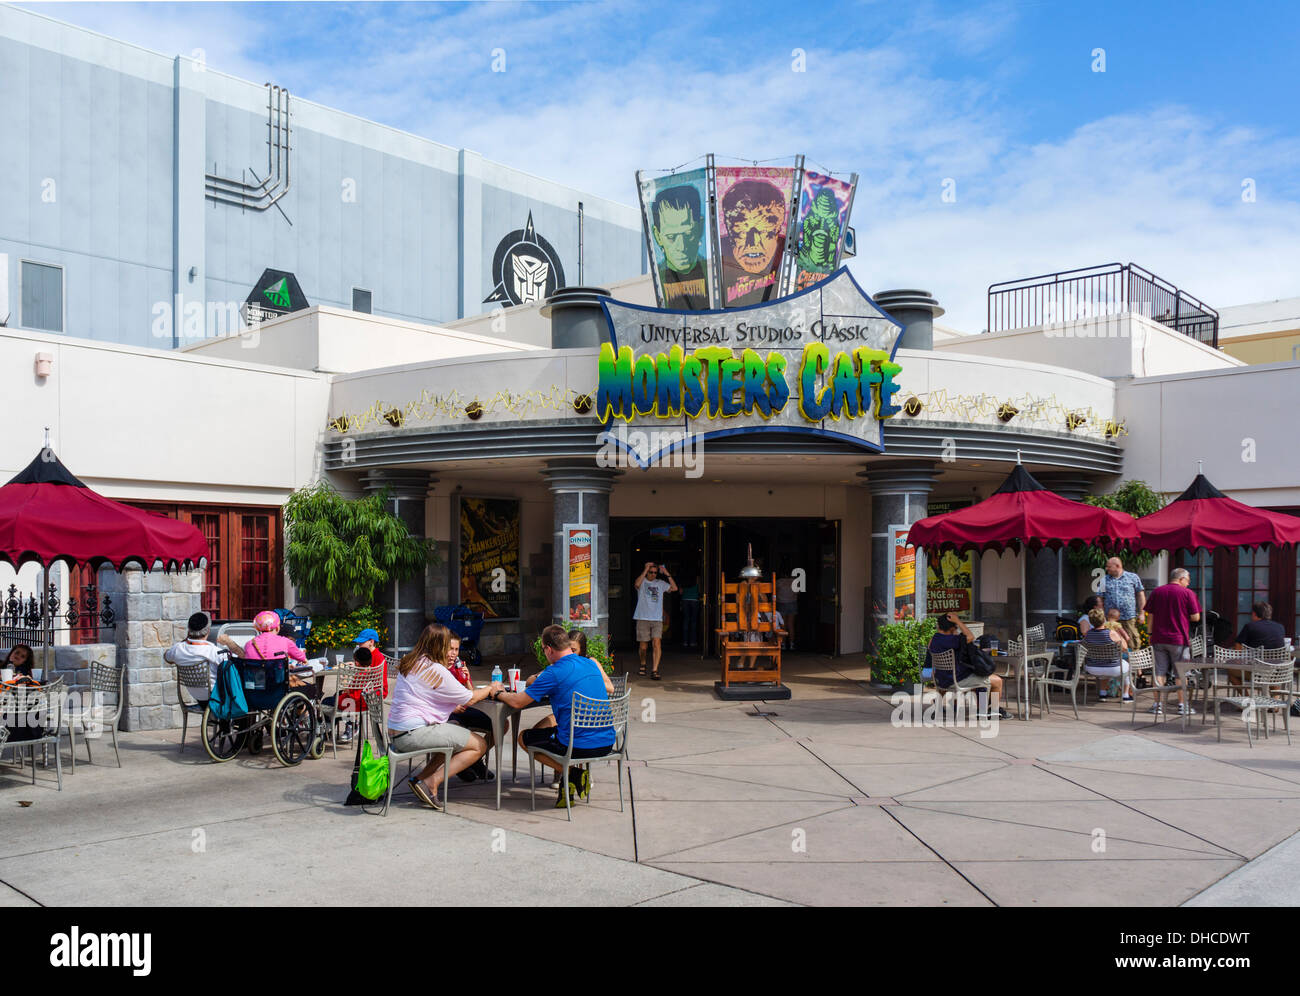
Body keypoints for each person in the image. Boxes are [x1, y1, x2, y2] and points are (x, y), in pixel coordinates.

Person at [491, 625, 615, 808]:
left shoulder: (554, 672)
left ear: (548, 649)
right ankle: (568, 783)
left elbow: (517, 702)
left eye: (543, 649)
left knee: (525, 737)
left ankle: (572, 773)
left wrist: (498, 694)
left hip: (577, 746)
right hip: (606, 742)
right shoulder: (589, 663)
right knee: (552, 730)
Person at [387, 624, 493, 811]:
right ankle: (431, 782)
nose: (450, 651)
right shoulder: (436, 670)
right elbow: (471, 697)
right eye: (447, 645)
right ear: (438, 645)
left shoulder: (413, 662)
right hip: (412, 734)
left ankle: (420, 780)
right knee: (479, 745)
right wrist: (493, 687)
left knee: (453, 734)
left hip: (398, 731)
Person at [1142, 568, 1201, 716]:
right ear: (1181, 579)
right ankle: (1182, 705)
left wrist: (1149, 632)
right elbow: (1195, 617)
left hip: (1158, 637)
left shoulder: (1157, 592)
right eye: (1187, 581)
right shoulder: (1188, 593)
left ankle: (1157, 705)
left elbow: (1151, 615)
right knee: (1181, 673)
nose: (1188, 584)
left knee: (1159, 672)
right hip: (1179, 639)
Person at [925, 612, 1006, 719]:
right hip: (955, 680)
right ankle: (987, 710)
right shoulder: (953, 640)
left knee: (977, 677)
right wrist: (958, 621)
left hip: (940, 679)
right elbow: (970, 637)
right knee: (995, 680)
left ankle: (981, 708)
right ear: (952, 628)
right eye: (956, 627)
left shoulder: (934, 639)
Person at [444, 632, 494, 783]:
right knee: (455, 729)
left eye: (457, 649)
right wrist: (452, 707)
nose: (453, 653)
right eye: (450, 649)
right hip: (448, 713)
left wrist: (466, 679)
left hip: (466, 709)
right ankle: (463, 764)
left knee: (501, 725)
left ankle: (475, 759)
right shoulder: (437, 668)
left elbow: (471, 694)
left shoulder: (459, 665)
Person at [163, 612, 221, 703]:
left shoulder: (178, 649)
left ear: (189, 630)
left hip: (197, 696)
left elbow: (166, 657)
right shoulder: (215, 652)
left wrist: (185, 640)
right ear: (208, 631)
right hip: (215, 698)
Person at [634, 561, 676, 680]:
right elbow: (636, 584)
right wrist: (645, 570)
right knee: (643, 647)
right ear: (647, 572)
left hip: (657, 619)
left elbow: (674, 588)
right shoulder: (642, 582)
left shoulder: (660, 583)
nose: (653, 574)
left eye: (655, 573)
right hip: (642, 617)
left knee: (657, 644)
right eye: (650, 572)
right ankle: (643, 663)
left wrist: (667, 573)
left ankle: (655, 670)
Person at [1082, 607, 1133, 701]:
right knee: (1127, 666)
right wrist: (1120, 637)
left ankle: (1103, 694)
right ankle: (1126, 695)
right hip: (1113, 668)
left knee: (1103, 668)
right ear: (1103, 619)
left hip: (1093, 668)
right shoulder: (1112, 633)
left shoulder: (1088, 634)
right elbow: (1125, 648)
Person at [1101, 557, 1146, 650]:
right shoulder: (1103, 580)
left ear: (1117, 566)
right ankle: (1115, 664)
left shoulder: (1133, 577)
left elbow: (1140, 595)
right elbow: (1099, 598)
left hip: (1128, 617)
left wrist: (1142, 613)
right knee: (1111, 644)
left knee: (1132, 642)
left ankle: (1132, 663)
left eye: (1109, 566)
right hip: (1111, 620)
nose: (1106, 568)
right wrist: (1101, 617)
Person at [776, 565, 798, 650]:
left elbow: (776, 593)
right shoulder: (794, 582)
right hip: (792, 603)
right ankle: (792, 644)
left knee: (783, 625)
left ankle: (783, 644)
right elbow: (797, 593)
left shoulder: (779, 582)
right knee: (791, 624)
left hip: (781, 603)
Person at [679, 576, 701, 649]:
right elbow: (700, 589)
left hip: (685, 599)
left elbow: (680, 592)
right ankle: (693, 642)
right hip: (694, 599)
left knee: (686, 620)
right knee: (693, 621)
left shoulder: (684, 577)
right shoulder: (697, 577)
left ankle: (685, 642)